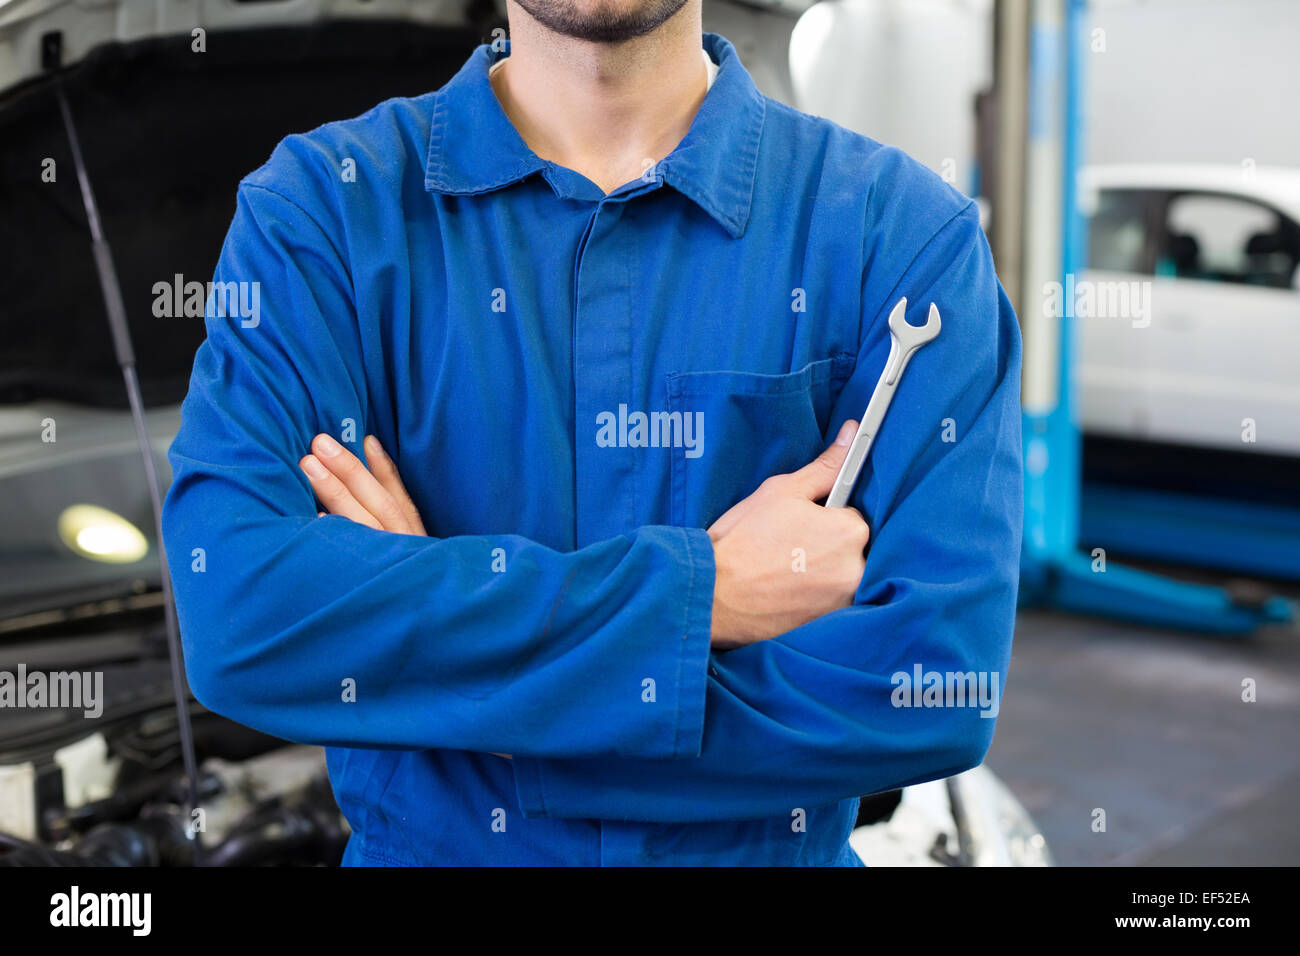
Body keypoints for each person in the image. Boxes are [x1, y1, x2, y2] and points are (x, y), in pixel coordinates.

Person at [162, 0, 1023, 866]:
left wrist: (468, 696)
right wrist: (704, 595)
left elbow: (931, 687)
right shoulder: (323, 216)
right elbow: (241, 613)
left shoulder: (898, 236)